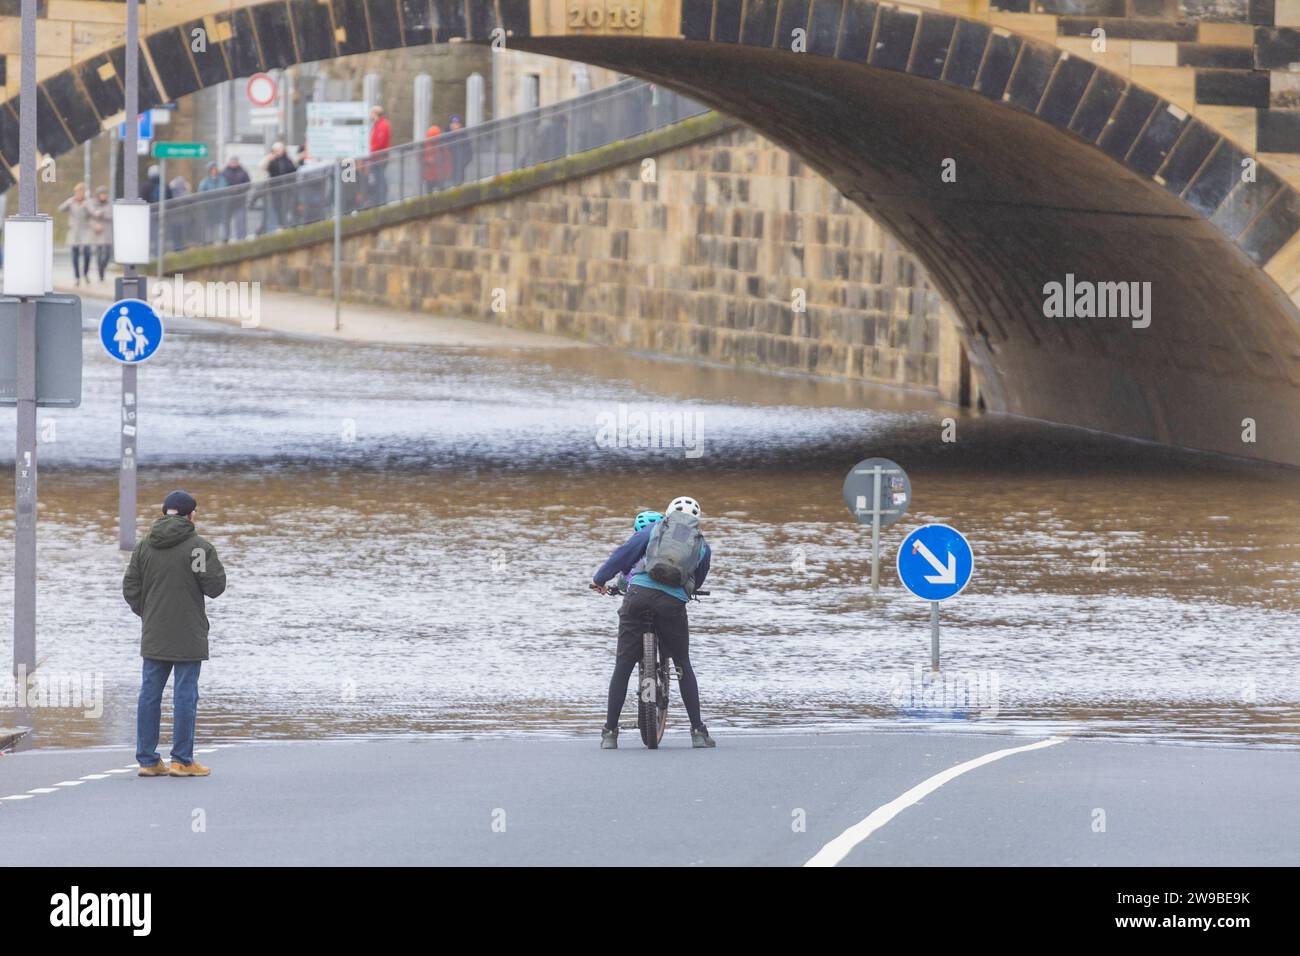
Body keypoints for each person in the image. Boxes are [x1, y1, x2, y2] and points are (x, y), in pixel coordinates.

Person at [590, 496, 715, 749]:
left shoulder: (653, 530)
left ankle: (610, 733)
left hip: (637, 597)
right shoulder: (702, 545)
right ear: (697, 520)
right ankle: (698, 733)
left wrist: (600, 579)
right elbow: (696, 582)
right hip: (672, 605)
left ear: (667, 514)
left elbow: (622, 557)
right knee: (682, 665)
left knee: (623, 665)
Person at [123, 490, 227, 777]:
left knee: (149, 695)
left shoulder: (145, 547)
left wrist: (149, 613)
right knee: (185, 695)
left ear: (164, 512)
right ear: (191, 515)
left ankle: (147, 760)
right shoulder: (198, 548)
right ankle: (182, 760)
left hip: (155, 632)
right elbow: (215, 587)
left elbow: (130, 587)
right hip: (189, 633)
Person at [57, 183, 95, 286]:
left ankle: (86, 273)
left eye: (81, 192)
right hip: (74, 232)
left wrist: (85, 206)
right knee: (75, 255)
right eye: (78, 192)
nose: (79, 194)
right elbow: (60, 209)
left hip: (85, 230)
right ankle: (77, 277)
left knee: (87, 253)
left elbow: (93, 213)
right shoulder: (71, 201)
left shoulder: (88, 202)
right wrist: (69, 202)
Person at [263, 141, 298, 232]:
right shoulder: (272, 160)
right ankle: (279, 226)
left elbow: (293, 170)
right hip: (275, 190)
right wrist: (270, 157)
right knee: (276, 208)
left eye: (279, 149)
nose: (278, 151)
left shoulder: (288, 160)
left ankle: (285, 225)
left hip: (287, 189)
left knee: (287, 208)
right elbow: (262, 167)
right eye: (276, 150)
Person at [221, 156, 251, 241]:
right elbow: (222, 185)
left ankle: (241, 238)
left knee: (240, 221)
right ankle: (225, 238)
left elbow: (248, 184)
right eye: (232, 161)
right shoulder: (224, 172)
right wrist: (229, 190)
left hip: (240, 201)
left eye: (235, 161)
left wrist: (240, 189)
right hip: (227, 202)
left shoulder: (243, 172)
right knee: (225, 221)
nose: (234, 163)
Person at [367, 105, 392, 206]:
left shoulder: (382, 125)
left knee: (380, 180)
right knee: (378, 180)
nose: (370, 115)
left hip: (379, 158)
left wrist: (369, 151)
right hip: (376, 158)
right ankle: (378, 200)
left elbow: (379, 143)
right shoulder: (378, 125)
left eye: (371, 113)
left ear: (375, 114)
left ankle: (381, 201)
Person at [197, 162, 226, 243]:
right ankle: (209, 241)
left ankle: (222, 240)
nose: (214, 171)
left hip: (220, 206)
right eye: (212, 169)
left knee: (221, 224)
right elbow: (201, 193)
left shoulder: (222, 179)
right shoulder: (205, 181)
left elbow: (224, 189)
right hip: (209, 207)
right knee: (209, 225)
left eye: (215, 169)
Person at [89, 185, 112, 282]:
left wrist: (102, 214)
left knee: (108, 254)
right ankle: (100, 273)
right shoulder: (93, 205)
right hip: (98, 233)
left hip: (107, 232)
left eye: (105, 194)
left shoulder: (110, 204)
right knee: (98, 254)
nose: (103, 196)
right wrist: (95, 226)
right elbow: (90, 218)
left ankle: (103, 267)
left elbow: (111, 216)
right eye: (101, 194)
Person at [421, 124, 452, 194]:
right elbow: (419, 158)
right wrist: (427, 160)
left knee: (440, 192)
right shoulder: (424, 145)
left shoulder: (442, 146)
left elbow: (447, 160)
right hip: (429, 175)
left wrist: (448, 172)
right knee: (430, 193)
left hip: (439, 175)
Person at [447, 114, 471, 186]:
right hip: (448, 168)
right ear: (450, 125)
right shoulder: (445, 137)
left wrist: (463, 163)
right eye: (453, 124)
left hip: (460, 168)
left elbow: (469, 152)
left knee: (459, 185)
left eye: (457, 124)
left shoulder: (464, 136)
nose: (455, 126)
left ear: (460, 125)